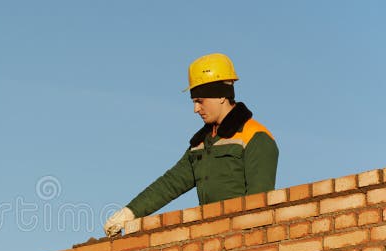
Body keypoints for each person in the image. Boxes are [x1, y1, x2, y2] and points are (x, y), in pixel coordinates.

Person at [104, 53, 278, 237]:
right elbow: (170, 184)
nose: (196, 109)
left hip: (243, 242)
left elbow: (259, 206)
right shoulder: (201, 144)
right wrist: (129, 213)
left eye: (200, 101)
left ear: (221, 95)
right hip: (211, 240)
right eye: (194, 102)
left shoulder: (255, 137)